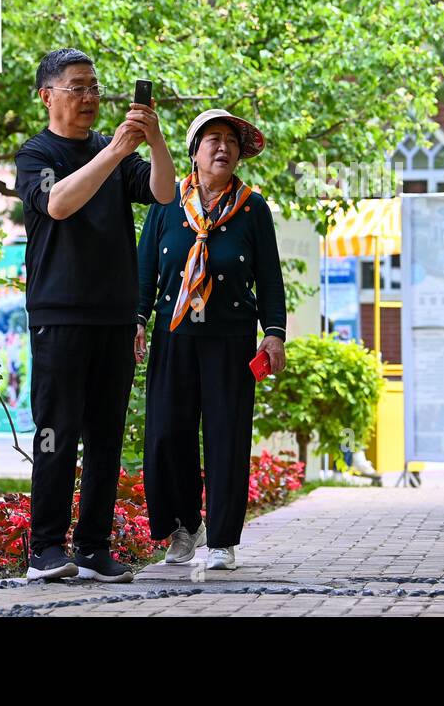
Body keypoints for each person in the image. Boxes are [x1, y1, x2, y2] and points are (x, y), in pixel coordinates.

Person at [14, 48, 175, 582]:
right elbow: (58, 204)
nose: (89, 98)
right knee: (56, 431)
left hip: (113, 313)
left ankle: (93, 547)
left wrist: (150, 138)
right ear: (48, 95)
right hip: (59, 313)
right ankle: (44, 550)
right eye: (77, 87)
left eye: (94, 87)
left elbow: (164, 192)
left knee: (105, 436)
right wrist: (115, 153)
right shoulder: (35, 153)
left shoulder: (115, 149)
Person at [137, 109, 287, 571]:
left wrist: (274, 334)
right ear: (194, 151)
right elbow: (145, 267)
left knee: (226, 435)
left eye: (231, 142)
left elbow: (270, 277)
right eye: (212, 139)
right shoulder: (166, 202)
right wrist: (137, 319)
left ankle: (222, 539)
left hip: (230, 337)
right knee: (167, 435)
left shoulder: (253, 207)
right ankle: (183, 528)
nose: (222, 148)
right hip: (174, 334)